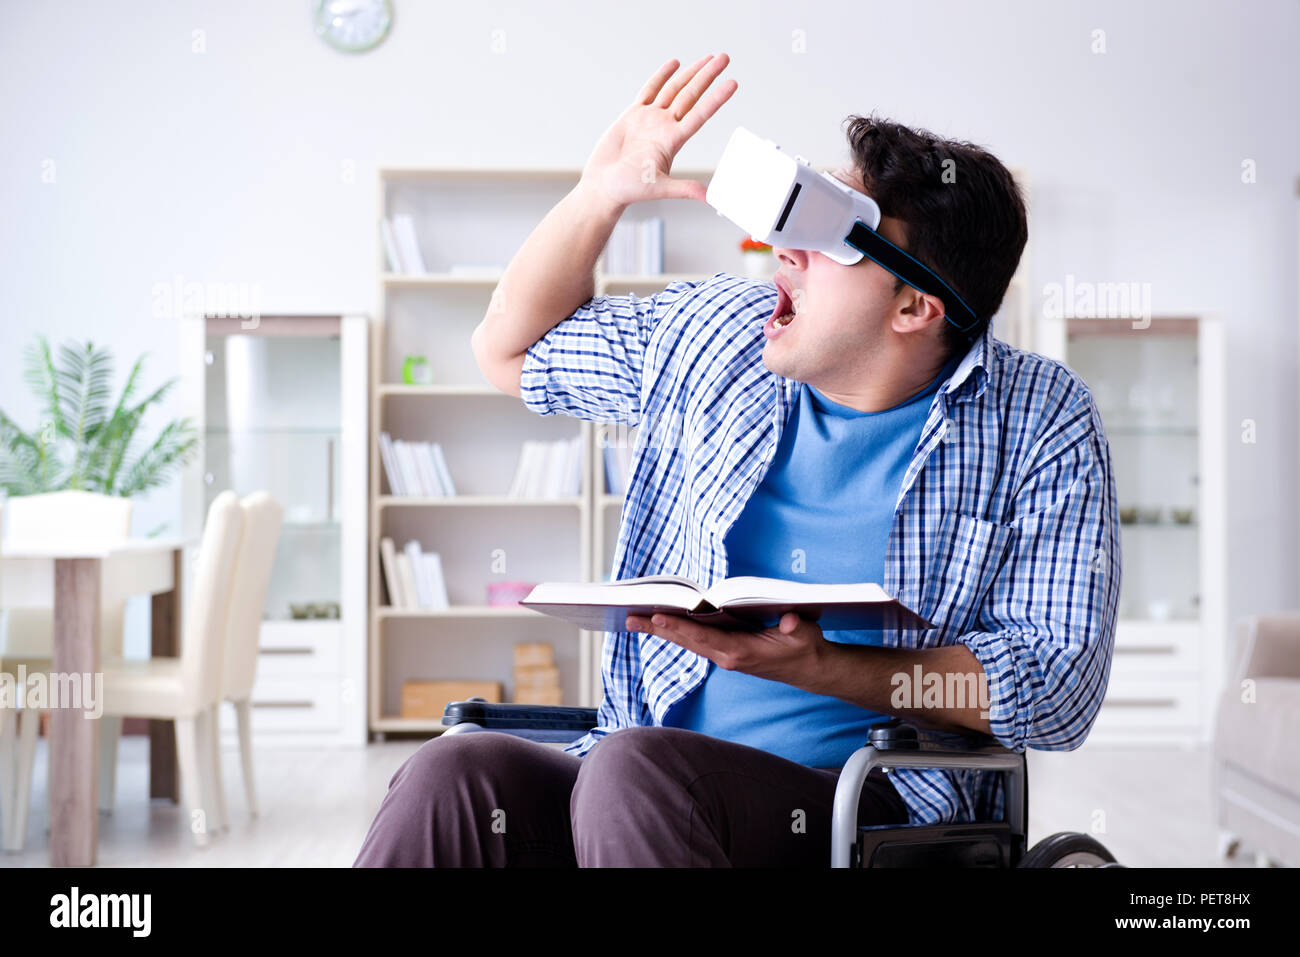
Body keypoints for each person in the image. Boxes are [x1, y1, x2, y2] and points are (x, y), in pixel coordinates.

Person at [354, 52, 1120, 868]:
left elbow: (1056, 688)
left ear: (914, 305)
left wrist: (832, 667)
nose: (785, 252)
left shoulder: (1040, 419)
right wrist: (597, 196)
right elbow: (508, 352)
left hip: (872, 811)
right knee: (456, 771)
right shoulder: (721, 333)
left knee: (637, 769)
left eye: (830, 235)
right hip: (638, 783)